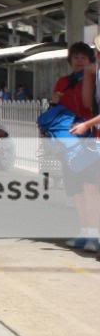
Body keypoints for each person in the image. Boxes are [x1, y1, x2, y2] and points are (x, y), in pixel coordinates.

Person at [60, 41, 100, 253]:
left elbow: (86, 105)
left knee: (91, 188)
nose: (79, 61)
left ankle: (94, 233)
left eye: (83, 57)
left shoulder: (94, 78)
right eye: (75, 57)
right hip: (70, 140)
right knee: (77, 188)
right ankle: (85, 231)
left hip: (91, 140)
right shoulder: (64, 82)